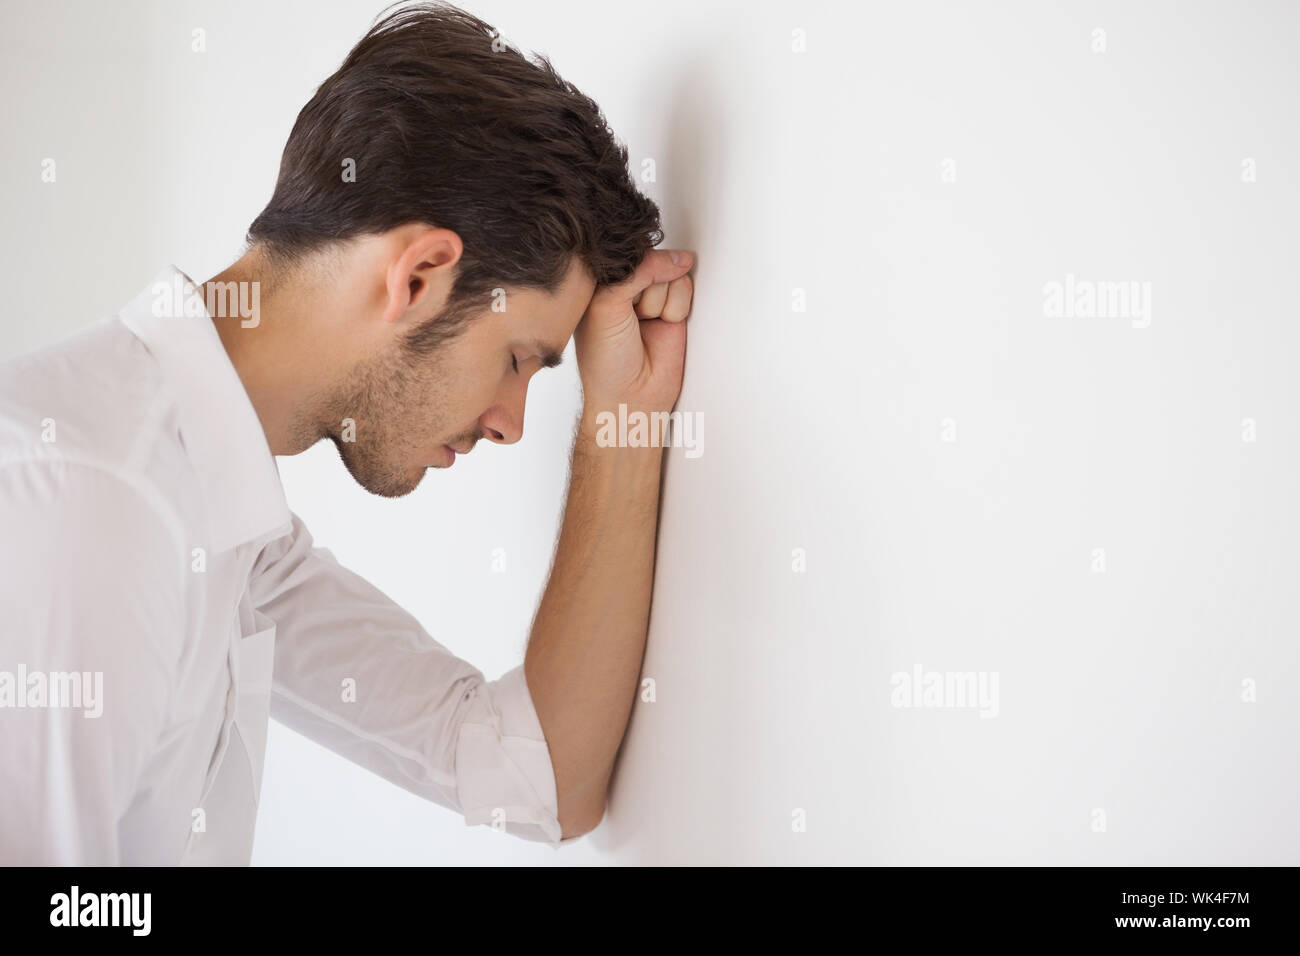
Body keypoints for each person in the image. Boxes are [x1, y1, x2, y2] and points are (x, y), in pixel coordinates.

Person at [0, 0, 694, 864]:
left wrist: (622, 419)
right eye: (520, 359)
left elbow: (536, 781)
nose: (511, 425)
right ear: (423, 274)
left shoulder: (229, 530)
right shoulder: (90, 498)